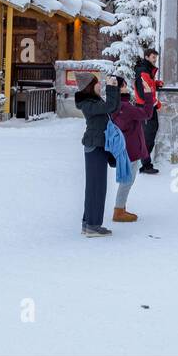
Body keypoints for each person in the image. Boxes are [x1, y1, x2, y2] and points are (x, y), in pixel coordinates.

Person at [75, 74, 122, 237]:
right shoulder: (87, 104)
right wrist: (111, 88)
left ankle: (88, 223)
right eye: (97, 83)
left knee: (97, 186)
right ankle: (93, 225)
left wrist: (115, 88)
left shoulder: (94, 101)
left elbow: (113, 108)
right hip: (94, 146)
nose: (100, 85)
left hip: (99, 145)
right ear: (89, 86)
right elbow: (109, 106)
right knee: (96, 187)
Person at [107, 80, 157, 222]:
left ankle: (121, 208)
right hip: (131, 149)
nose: (126, 86)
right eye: (123, 85)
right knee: (127, 180)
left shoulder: (116, 106)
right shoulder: (126, 107)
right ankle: (119, 210)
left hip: (124, 148)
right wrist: (148, 94)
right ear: (118, 89)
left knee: (126, 179)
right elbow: (147, 113)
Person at [134, 49, 163, 175]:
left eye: (156, 57)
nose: (155, 59)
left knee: (150, 133)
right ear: (146, 57)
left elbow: (148, 85)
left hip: (148, 107)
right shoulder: (143, 71)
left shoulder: (147, 70)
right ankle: (145, 164)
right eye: (153, 57)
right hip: (145, 107)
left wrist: (156, 83)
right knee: (147, 136)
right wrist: (155, 102)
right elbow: (142, 91)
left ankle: (144, 160)